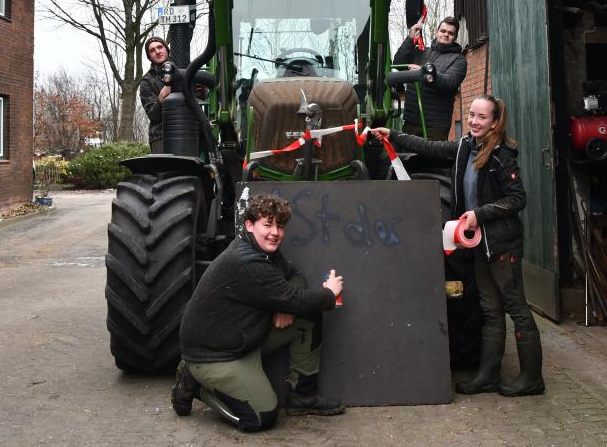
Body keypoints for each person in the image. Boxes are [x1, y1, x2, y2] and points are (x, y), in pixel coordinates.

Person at [372, 94, 544, 397]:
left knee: (515, 307)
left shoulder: (503, 156)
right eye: (472, 115)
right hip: (477, 244)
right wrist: (394, 135)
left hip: (501, 244)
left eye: (482, 117)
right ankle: (488, 376)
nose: (475, 122)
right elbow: (433, 147)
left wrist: (479, 214)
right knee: (490, 309)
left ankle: (532, 378)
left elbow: (518, 199)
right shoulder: (467, 146)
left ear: (495, 122)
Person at [171, 194, 346, 431]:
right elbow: (296, 299)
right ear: (249, 225)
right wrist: (328, 293)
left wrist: (285, 305)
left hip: (242, 337)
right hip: (213, 356)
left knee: (307, 317)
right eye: (267, 224)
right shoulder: (247, 261)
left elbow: (295, 275)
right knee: (260, 418)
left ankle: (302, 397)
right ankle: (196, 382)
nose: (275, 232)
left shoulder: (264, 251)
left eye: (280, 226)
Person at [392, 16, 467, 140]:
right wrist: (410, 38)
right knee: (407, 158)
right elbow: (399, 62)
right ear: (437, 32)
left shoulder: (459, 60)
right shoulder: (420, 52)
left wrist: (423, 72)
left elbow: (450, 81)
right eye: (443, 31)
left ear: (455, 37)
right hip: (411, 121)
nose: (446, 35)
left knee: (432, 158)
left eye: (450, 33)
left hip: (436, 126)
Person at [138, 36, 171, 153]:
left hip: (189, 129)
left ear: (166, 49)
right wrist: (161, 98)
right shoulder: (146, 81)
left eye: (160, 47)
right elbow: (153, 115)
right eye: (152, 50)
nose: (157, 51)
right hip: (160, 136)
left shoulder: (185, 69)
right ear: (149, 57)